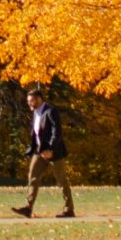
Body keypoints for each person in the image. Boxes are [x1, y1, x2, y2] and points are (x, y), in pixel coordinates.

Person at [10, 88, 74, 219]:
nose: (29, 103)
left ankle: (69, 210)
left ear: (39, 99)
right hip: (39, 151)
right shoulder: (35, 113)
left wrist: (51, 149)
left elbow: (57, 132)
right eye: (28, 101)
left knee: (61, 180)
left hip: (53, 151)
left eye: (32, 101)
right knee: (32, 177)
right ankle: (28, 208)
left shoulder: (50, 111)